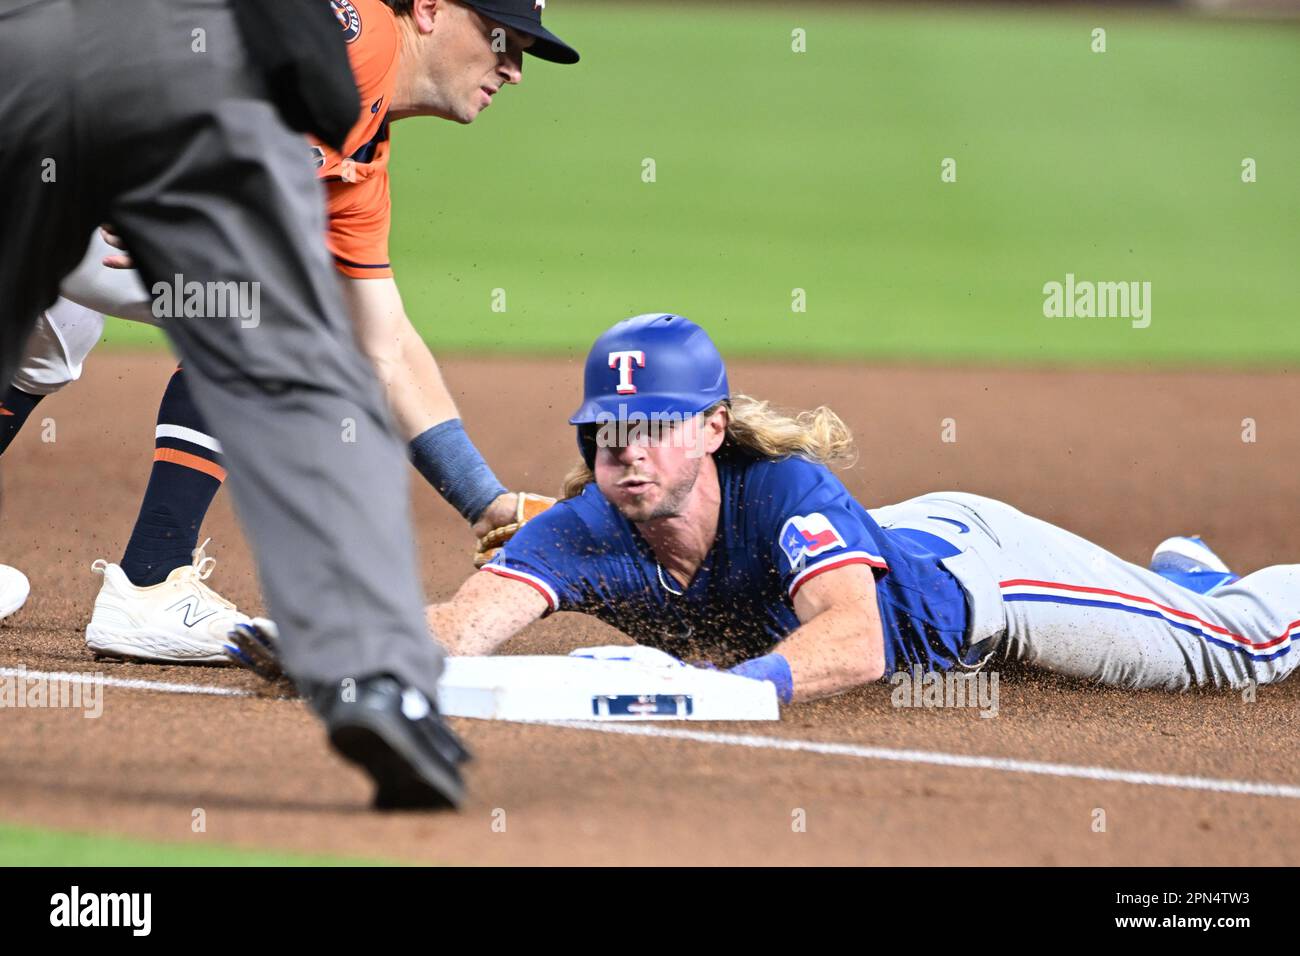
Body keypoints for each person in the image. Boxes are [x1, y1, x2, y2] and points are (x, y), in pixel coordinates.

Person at [0, 0, 494, 808]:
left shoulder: (361, 154)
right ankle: (351, 667)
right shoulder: (357, 40)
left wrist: (488, 501)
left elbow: (387, 343)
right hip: (93, 95)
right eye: (503, 37)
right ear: (432, 12)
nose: (511, 66)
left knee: (57, 327)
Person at [407, 313, 1294, 699]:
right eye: (608, 430)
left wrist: (732, 691)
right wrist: (329, 648)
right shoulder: (584, 529)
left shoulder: (784, 491)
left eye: (655, 426)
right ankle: (1183, 575)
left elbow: (860, 641)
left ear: (714, 429)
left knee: (1237, 653)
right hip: (905, 560)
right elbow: (461, 628)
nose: (627, 449)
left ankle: (1235, 594)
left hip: (988, 579)